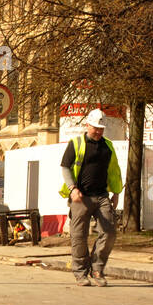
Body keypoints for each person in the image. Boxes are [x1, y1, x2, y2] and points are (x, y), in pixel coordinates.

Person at [60, 108, 122, 286]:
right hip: (81, 196)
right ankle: (80, 272)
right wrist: (72, 189)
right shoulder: (76, 143)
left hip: (102, 195)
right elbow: (65, 167)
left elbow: (114, 171)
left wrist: (116, 192)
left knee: (109, 232)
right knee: (78, 236)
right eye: (95, 128)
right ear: (88, 125)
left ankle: (97, 268)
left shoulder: (108, 146)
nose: (98, 131)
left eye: (101, 128)